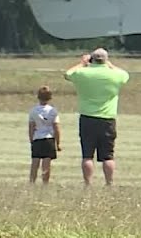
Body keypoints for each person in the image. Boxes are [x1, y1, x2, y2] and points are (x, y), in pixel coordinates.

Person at [64, 48, 130, 186]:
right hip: (108, 118)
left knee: (87, 155)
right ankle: (109, 183)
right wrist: (110, 65)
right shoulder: (115, 75)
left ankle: (88, 183)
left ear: (91, 59)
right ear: (105, 60)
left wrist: (82, 63)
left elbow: (67, 74)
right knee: (108, 156)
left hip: (88, 117)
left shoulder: (83, 73)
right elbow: (125, 74)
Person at [27, 85, 61, 184]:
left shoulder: (33, 111)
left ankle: (32, 181)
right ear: (50, 98)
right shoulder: (53, 111)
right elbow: (56, 127)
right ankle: (45, 183)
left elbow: (31, 127)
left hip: (37, 138)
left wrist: (31, 139)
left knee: (35, 162)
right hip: (49, 139)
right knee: (46, 163)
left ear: (38, 96)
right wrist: (58, 143)